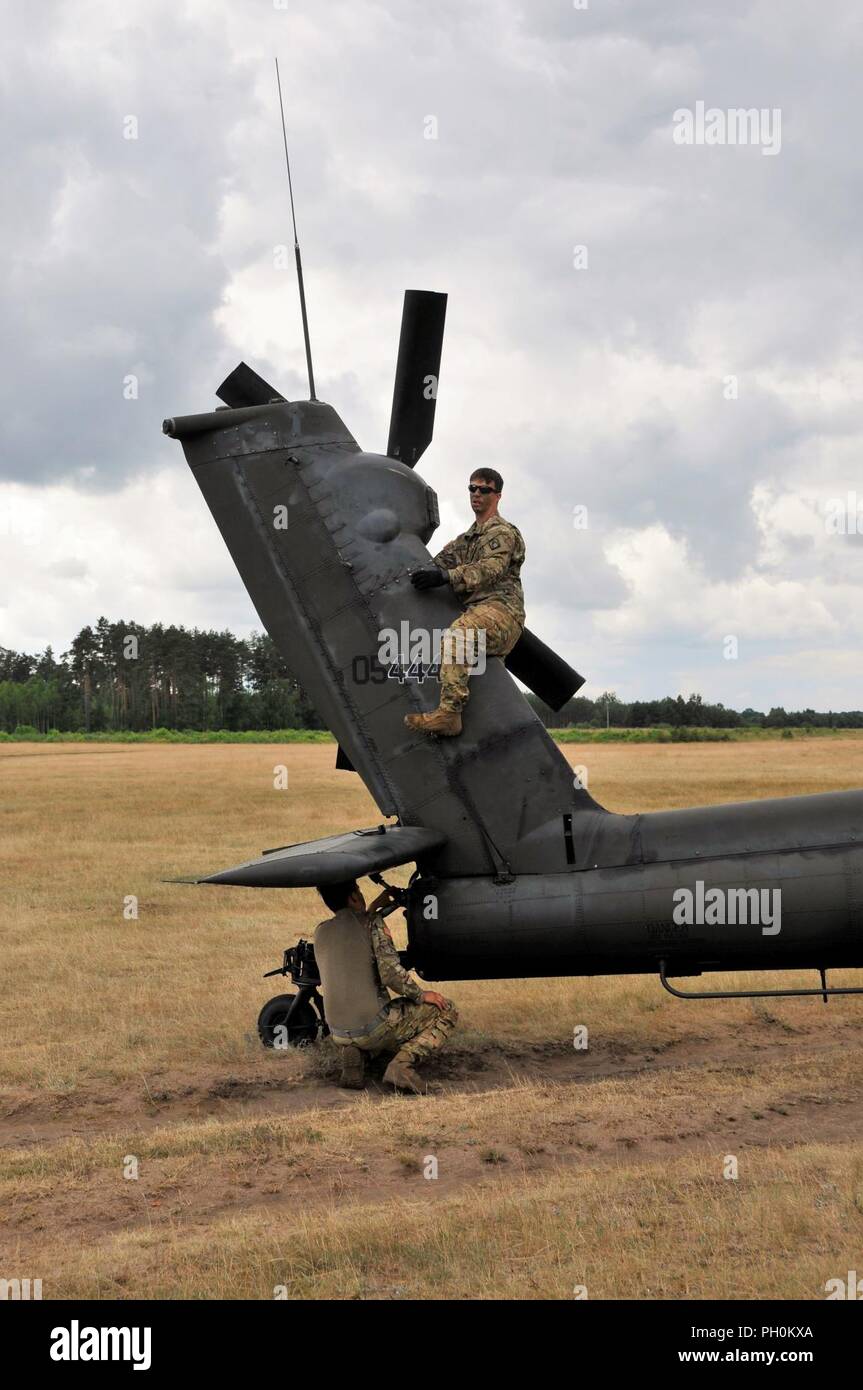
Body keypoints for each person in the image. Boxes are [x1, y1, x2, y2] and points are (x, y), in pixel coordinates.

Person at [405, 467, 525, 736]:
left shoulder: (502, 533)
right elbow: (435, 564)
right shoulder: (466, 540)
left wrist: (446, 577)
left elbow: (489, 569)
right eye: (472, 488)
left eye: (484, 489)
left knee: (459, 636)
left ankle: (449, 715)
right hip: (477, 611)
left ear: (498, 495)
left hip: (502, 611)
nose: (476, 494)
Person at [313, 879, 458, 1094]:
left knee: (372, 1029)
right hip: (372, 1027)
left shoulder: (321, 931)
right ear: (354, 897)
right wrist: (421, 995)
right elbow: (391, 974)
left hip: (338, 1031)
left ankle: (357, 1052)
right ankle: (400, 1066)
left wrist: (372, 908)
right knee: (447, 1010)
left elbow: (355, 934)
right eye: (359, 892)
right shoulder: (373, 924)